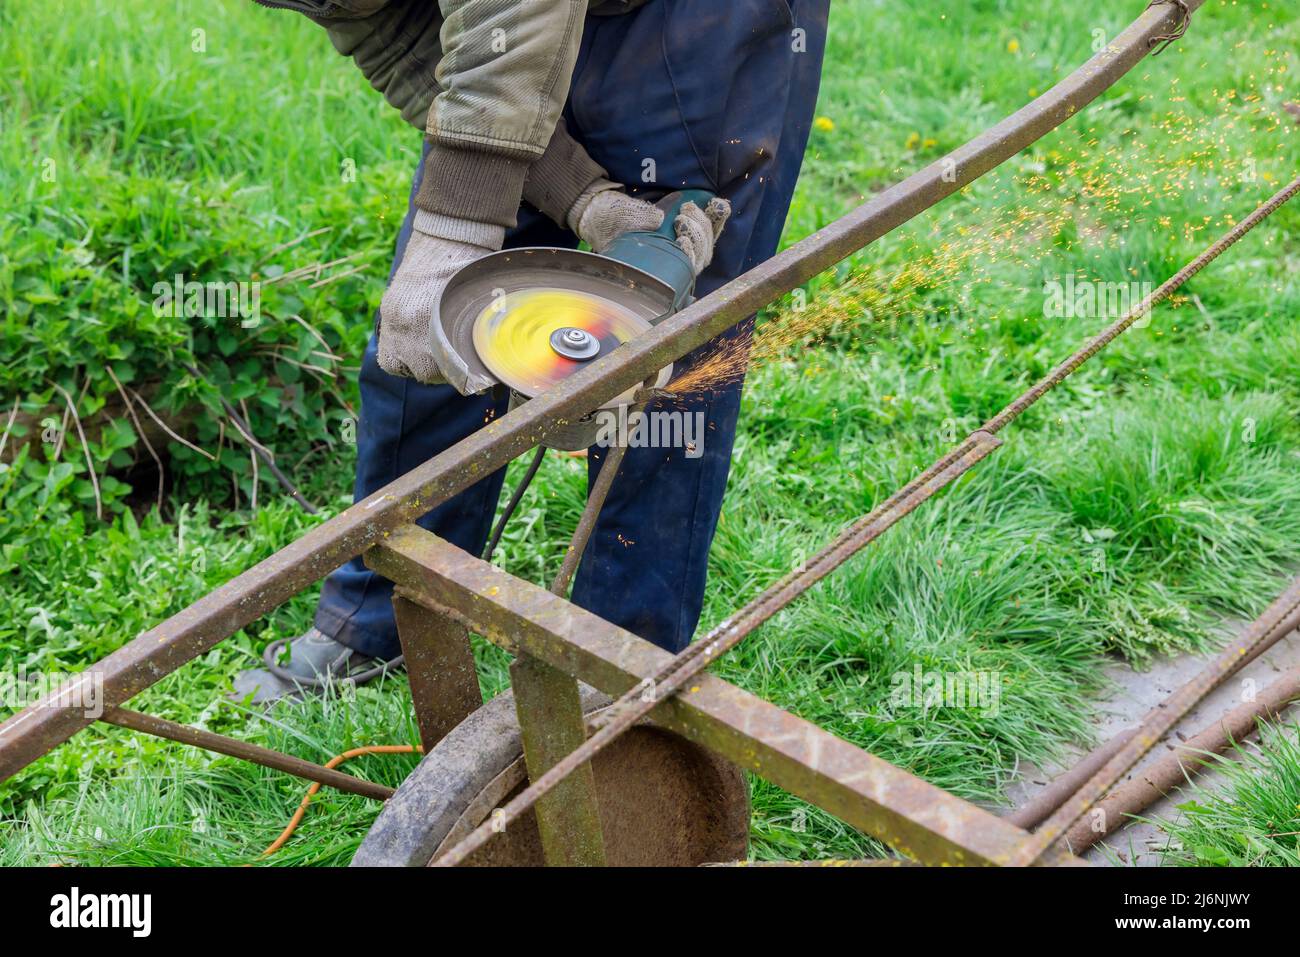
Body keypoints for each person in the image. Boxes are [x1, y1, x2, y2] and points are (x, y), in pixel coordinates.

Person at [235, 0, 829, 702]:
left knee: (657, 353)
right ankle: (385, 615)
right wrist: (577, 196)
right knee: (445, 316)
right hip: (497, 21)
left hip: (691, 25)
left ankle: (618, 659)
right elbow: (405, 43)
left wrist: (460, 223)